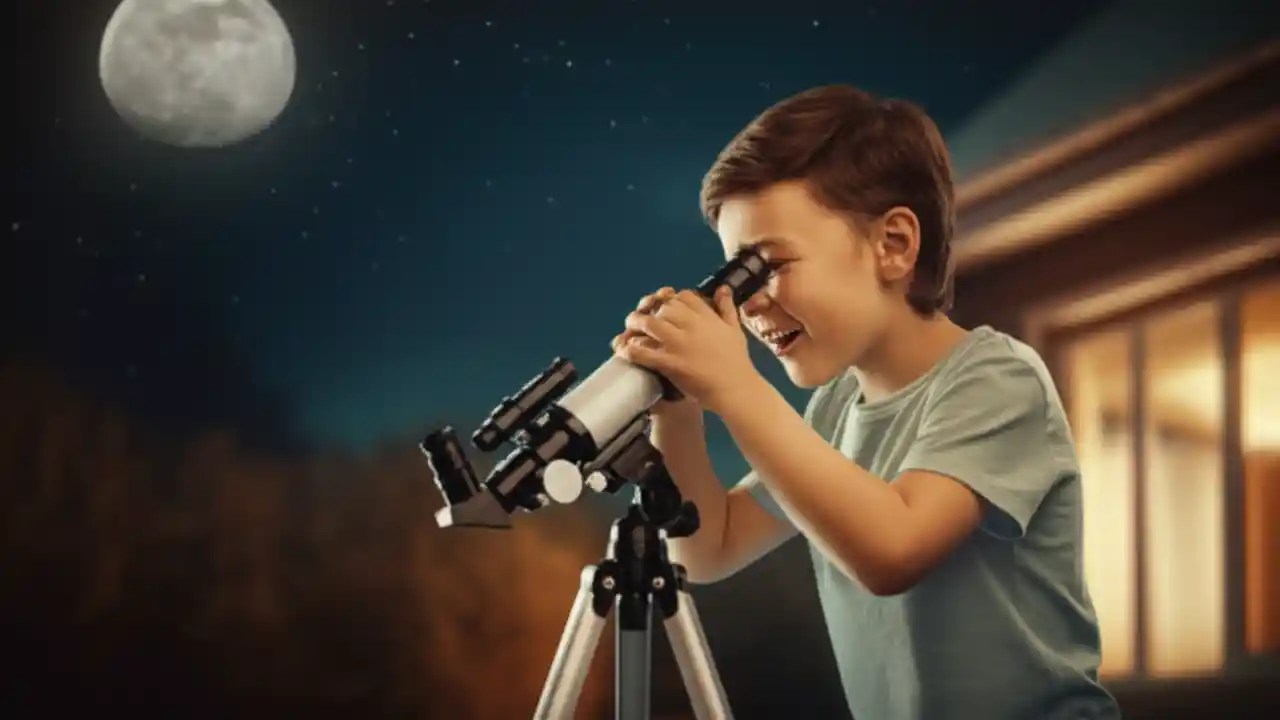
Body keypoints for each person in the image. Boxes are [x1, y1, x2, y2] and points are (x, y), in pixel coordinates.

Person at [609, 85, 1121, 720]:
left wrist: (735, 387)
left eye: (767, 266)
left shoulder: (998, 380)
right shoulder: (835, 410)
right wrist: (679, 411)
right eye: (735, 278)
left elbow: (892, 552)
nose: (748, 302)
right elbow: (708, 545)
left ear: (893, 245)